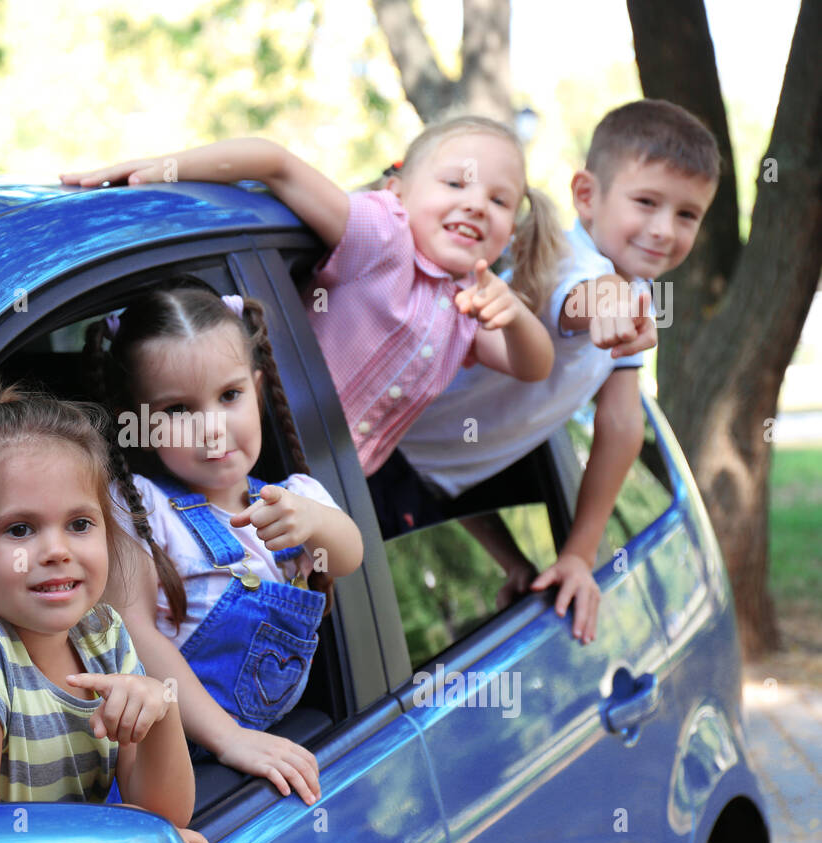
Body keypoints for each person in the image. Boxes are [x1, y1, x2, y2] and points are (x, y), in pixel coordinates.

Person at [61, 117, 560, 538]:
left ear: (511, 232)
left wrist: (514, 314)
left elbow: (533, 364)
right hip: (246, 456)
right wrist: (165, 169)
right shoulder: (382, 238)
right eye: (455, 183)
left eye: (499, 201)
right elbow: (274, 163)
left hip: (332, 493)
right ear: (397, 190)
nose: (476, 204)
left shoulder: (470, 304)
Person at [396, 99, 721, 642]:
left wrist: (574, 554)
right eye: (647, 202)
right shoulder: (559, 258)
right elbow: (580, 298)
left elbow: (620, 427)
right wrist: (613, 302)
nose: (665, 229)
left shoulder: (637, 290)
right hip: (373, 463)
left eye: (687, 214)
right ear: (587, 196)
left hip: (419, 483)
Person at [0, 379, 211, 843]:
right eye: (20, 529)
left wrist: (161, 712)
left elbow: (165, 816)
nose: (56, 551)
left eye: (79, 524)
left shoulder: (104, 634)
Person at [84, 282, 363, 806]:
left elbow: (349, 556)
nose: (212, 428)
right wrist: (230, 738)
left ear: (256, 389)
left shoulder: (294, 498)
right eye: (178, 410)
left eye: (229, 396)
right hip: (164, 766)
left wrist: (317, 524)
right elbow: (135, 634)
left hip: (248, 764)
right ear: (139, 423)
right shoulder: (139, 507)